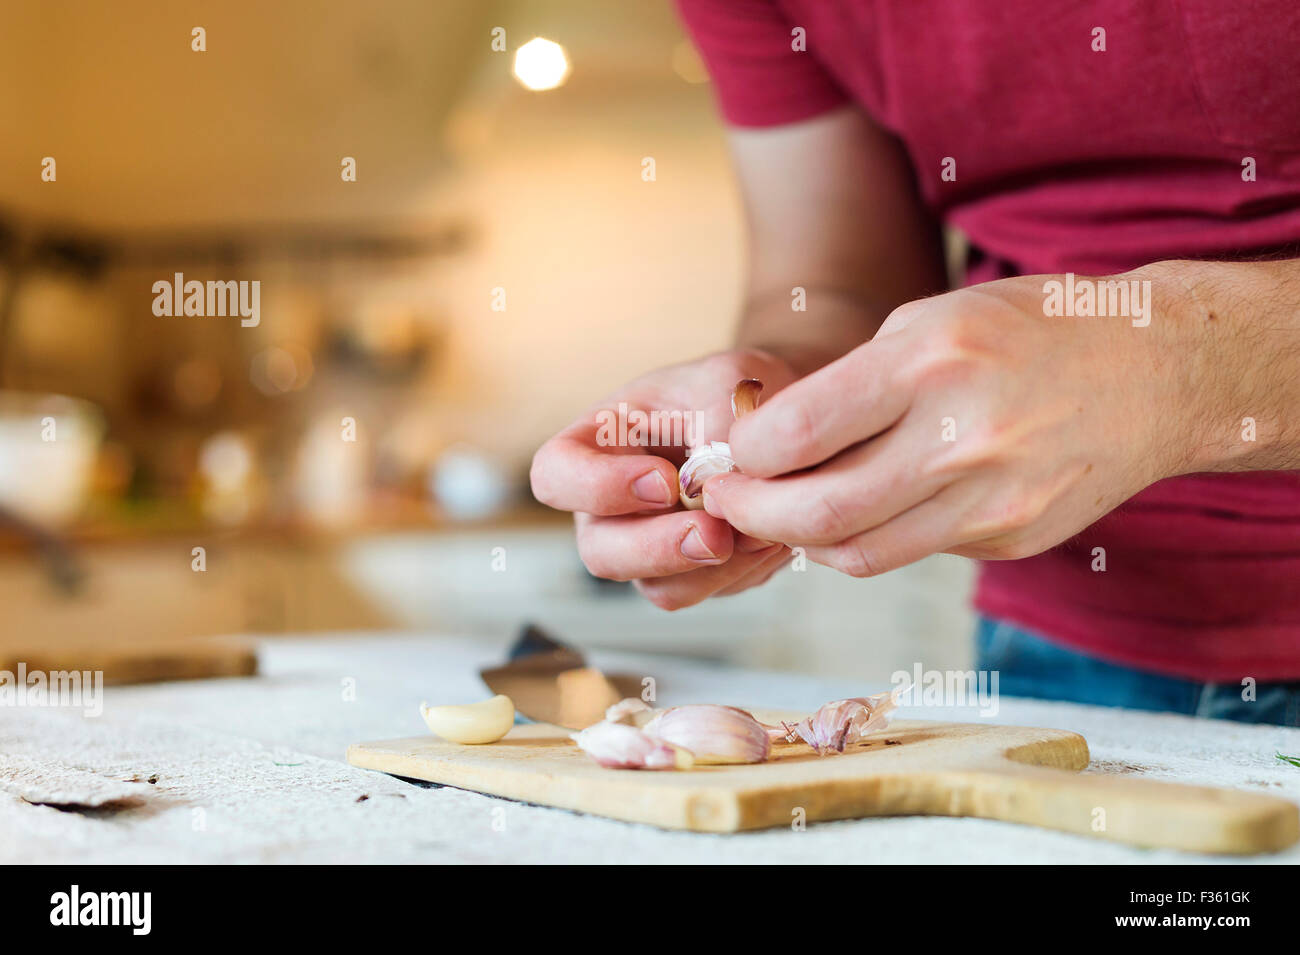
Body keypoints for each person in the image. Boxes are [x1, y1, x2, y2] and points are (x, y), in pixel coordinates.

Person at [530, 1, 1300, 725]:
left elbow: (1159, 369)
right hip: (1059, 652)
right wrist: (780, 393)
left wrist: (1167, 368)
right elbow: (836, 285)